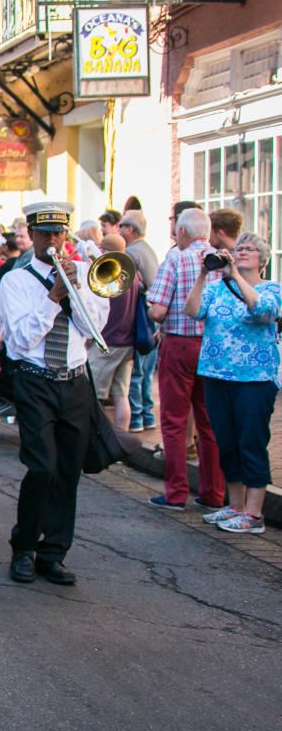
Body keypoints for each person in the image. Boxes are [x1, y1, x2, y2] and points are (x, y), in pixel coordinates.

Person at [0, 201, 109, 585]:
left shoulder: (84, 275)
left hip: (75, 380)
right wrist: (53, 297)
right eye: (44, 234)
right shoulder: (17, 279)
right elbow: (21, 339)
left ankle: (53, 553)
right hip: (35, 379)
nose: (52, 241)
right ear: (31, 233)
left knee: (67, 472)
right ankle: (24, 547)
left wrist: (78, 289)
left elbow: (95, 328)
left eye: (58, 234)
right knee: (42, 467)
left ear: (67, 235)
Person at [184, 233, 279, 533]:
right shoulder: (216, 289)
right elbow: (192, 310)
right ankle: (235, 506)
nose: (243, 252)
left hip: (255, 379)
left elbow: (263, 312)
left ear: (263, 259)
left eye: (250, 249)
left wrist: (236, 275)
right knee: (226, 442)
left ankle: (254, 515)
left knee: (251, 442)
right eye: (238, 249)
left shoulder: (272, 289)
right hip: (216, 375)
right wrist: (202, 273)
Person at [145, 207, 225, 512]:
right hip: (213, 347)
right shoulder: (221, 260)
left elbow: (158, 311)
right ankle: (213, 493)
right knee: (209, 422)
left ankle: (176, 493)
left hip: (180, 345)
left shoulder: (175, 259)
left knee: (175, 422)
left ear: (182, 232)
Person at [85, 234, 139, 431]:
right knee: (121, 396)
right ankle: (120, 439)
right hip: (126, 342)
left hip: (107, 342)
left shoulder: (106, 273)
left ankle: (100, 439)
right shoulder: (133, 274)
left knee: (94, 395)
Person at [118, 210, 159, 433]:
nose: (119, 228)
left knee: (136, 373)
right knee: (145, 373)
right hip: (151, 320)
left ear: (131, 229)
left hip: (143, 319)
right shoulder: (147, 249)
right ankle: (147, 414)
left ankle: (136, 418)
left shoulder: (132, 253)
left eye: (122, 225)